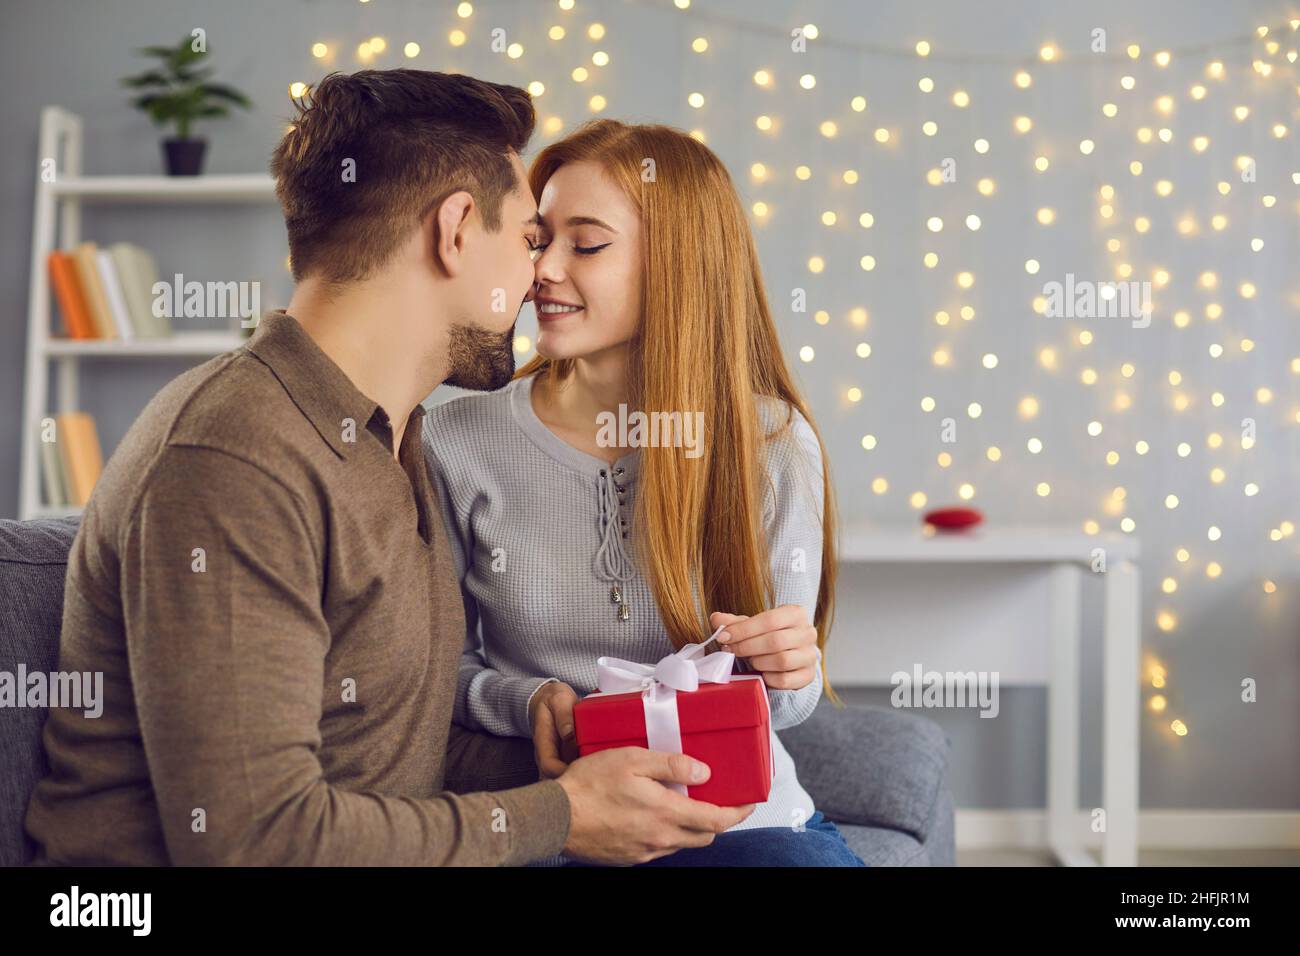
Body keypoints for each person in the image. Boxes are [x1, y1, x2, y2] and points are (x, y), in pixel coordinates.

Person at [24, 71, 752, 866]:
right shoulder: (235, 459)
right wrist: (557, 817)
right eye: (529, 238)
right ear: (456, 230)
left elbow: (376, 754)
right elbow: (254, 841)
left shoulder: (392, 442)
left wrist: (560, 767)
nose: (538, 275)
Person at [424, 119, 864, 866]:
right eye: (539, 239)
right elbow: (434, 676)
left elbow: (786, 708)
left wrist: (792, 668)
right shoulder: (455, 439)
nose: (543, 270)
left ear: (680, 265)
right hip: (550, 825)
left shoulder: (772, 442)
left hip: (741, 830)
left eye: (586, 245)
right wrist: (527, 702)